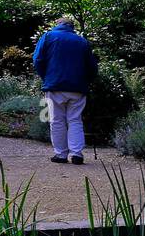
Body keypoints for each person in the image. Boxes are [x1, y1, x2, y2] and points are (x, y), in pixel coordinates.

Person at [32, 15, 98, 165]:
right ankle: (76, 154)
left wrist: (46, 77)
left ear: (58, 24)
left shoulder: (48, 36)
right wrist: (86, 80)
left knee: (56, 120)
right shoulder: (82, 41)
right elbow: (92, 67)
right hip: (77, 87)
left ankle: (61, 154)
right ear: (72, 27)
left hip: (54, 85)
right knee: (75, 119)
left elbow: (37, 60)